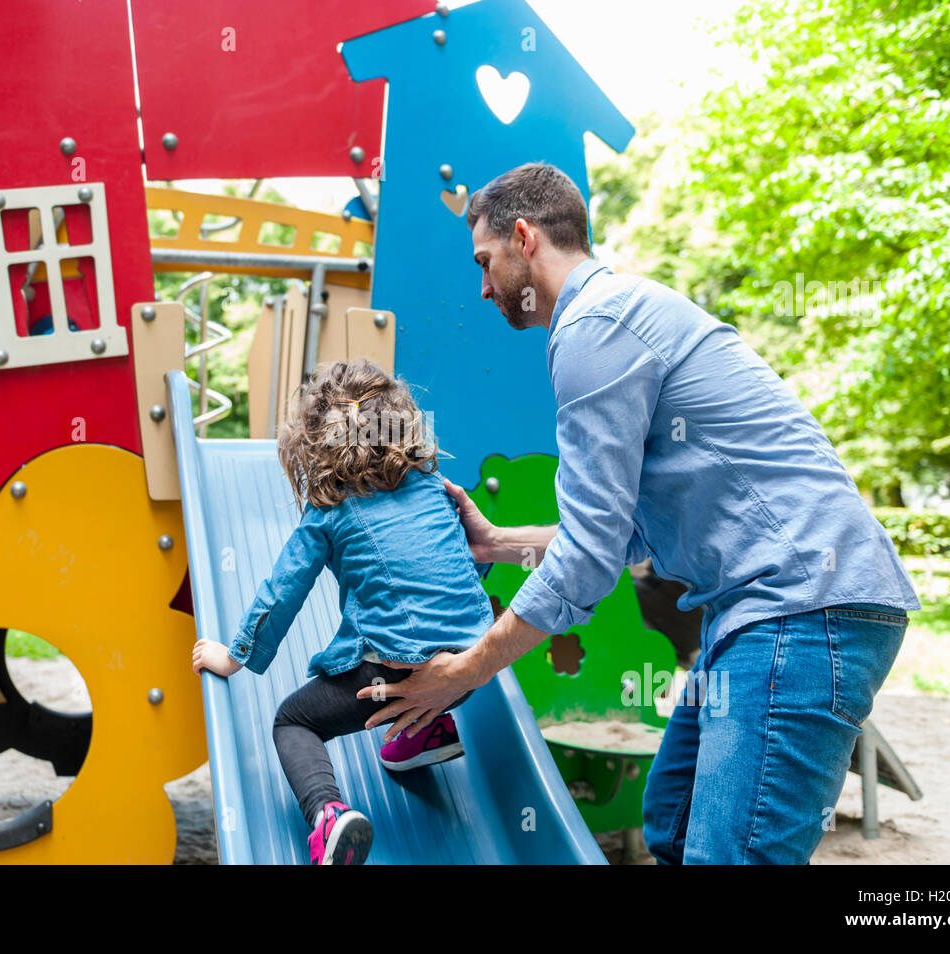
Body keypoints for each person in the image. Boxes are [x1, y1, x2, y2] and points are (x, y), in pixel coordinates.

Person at [358, 161, 921, 864]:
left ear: (524, 238)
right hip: (768, 610)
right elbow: (621, 537)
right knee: (675, 825)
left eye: (485, 259)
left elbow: (590, 558)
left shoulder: (594, 326)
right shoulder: (619, 313)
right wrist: (497, 541)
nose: (481, 286)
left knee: (731, 854)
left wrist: (470, 667)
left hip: (800, 607)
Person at [191, 359, 489, 865]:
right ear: (402, 423)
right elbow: (459, 565)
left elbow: (282, 591)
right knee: (420, 653)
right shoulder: (435, 486)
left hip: (391, 674)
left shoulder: (329, 511)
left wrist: (234, 657)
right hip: (473, 661)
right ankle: (428, 730)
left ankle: (329, 816)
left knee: (292, 723)